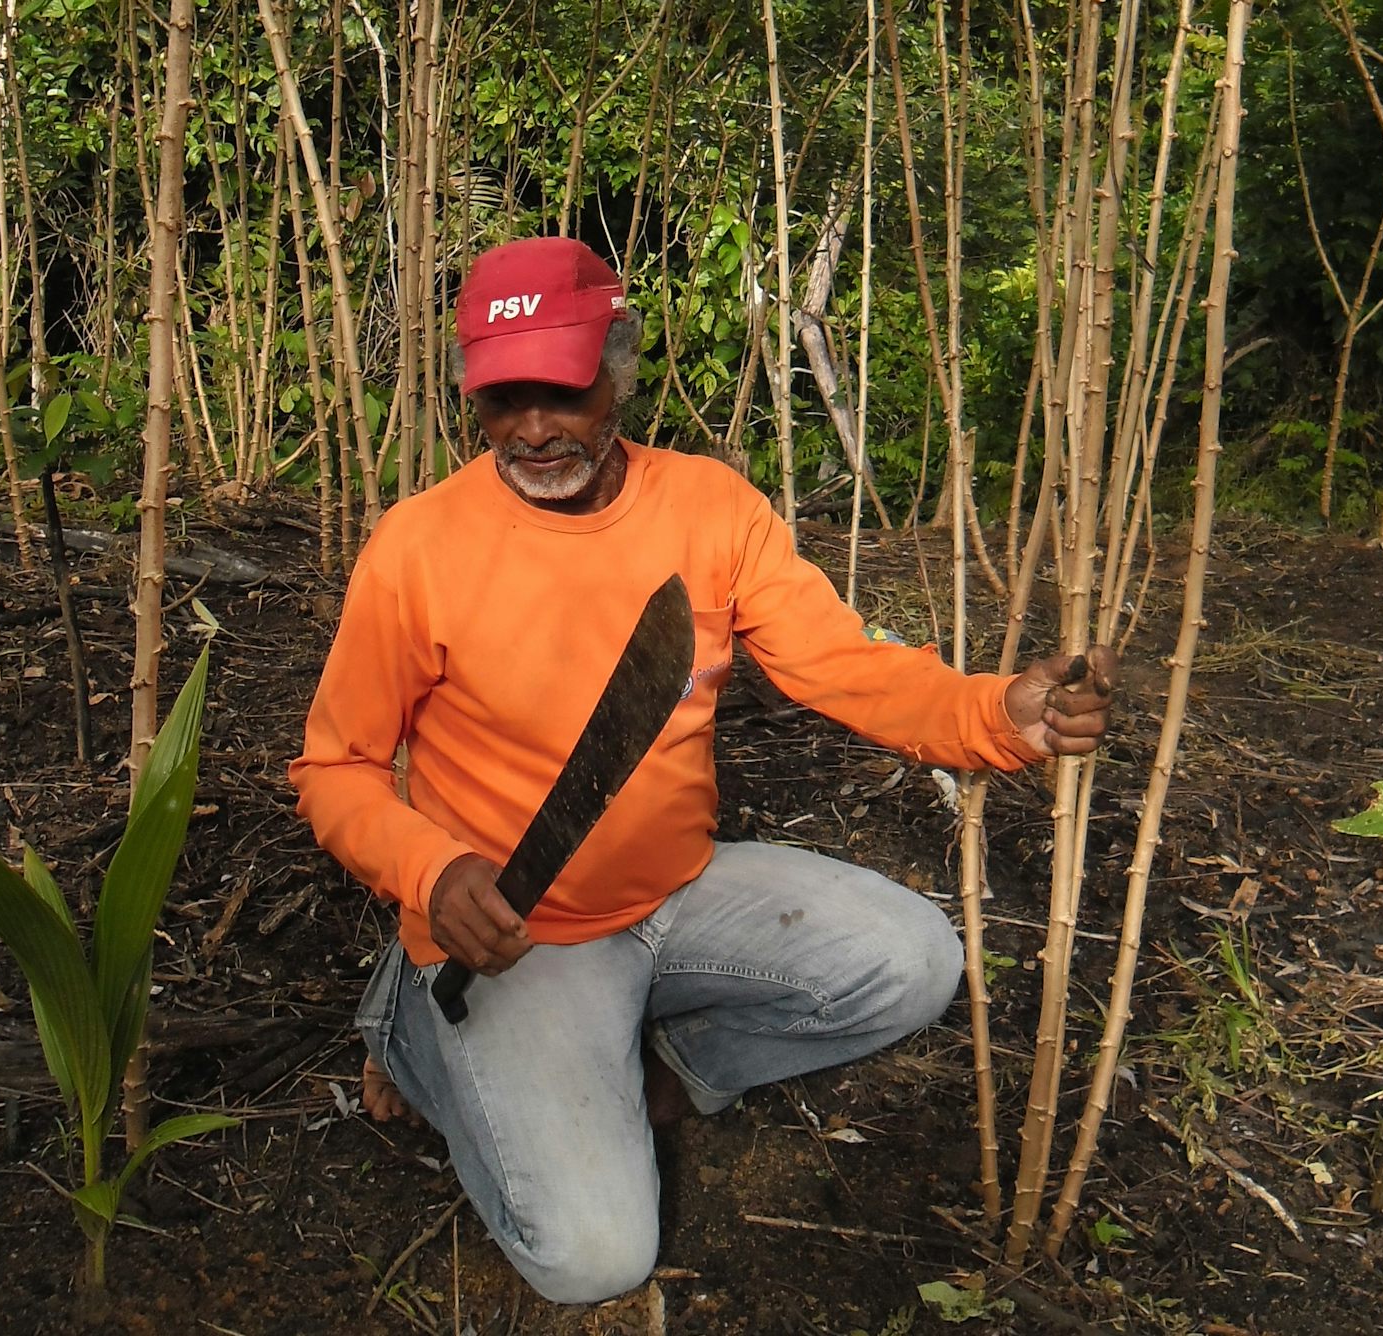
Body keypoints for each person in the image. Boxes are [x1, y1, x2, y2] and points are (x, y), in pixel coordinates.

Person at [290, 236, 1116, 1305]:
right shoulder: (419, 547)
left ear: (617, 369)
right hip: (513, 936)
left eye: (564, 388)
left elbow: (844, 668)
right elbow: (335, 765)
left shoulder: (711, 509)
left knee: (913, 959)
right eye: (503, 398)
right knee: (594, 1260)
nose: (534, 428)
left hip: (679, 890)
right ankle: (410, 1028)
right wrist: (436, 874)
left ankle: (671, 1068)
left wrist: (997, 712)